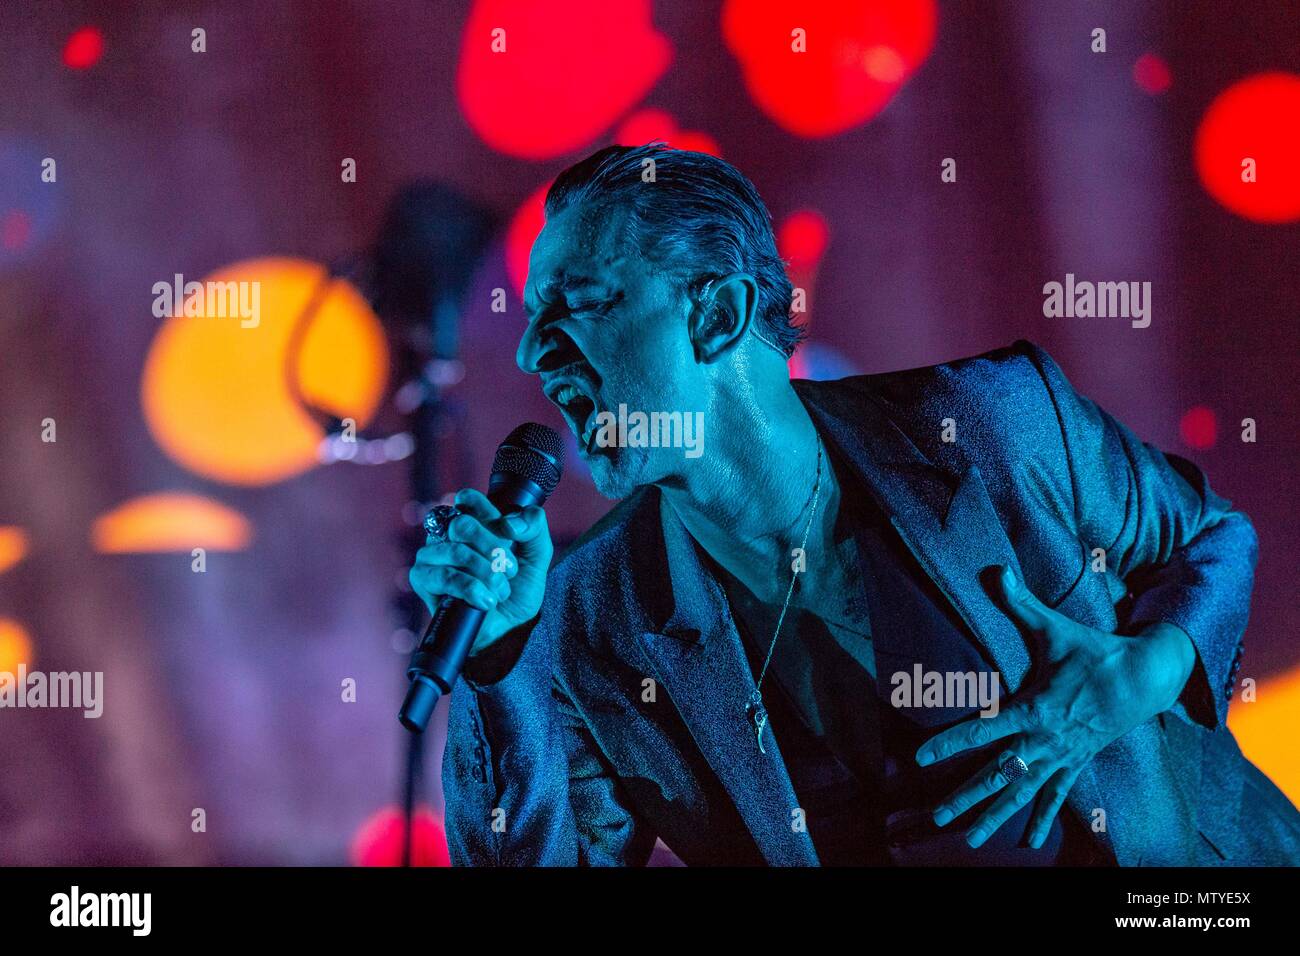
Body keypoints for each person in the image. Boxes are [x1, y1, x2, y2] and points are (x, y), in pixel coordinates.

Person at [409, 143, 1300, 866]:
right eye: (532, 316)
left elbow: (1213, 538)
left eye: (580, 304)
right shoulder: (588, 618)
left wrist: (1137, 675)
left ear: (717, 315)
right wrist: (498, 660)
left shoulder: (991, 424)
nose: (531, 352)